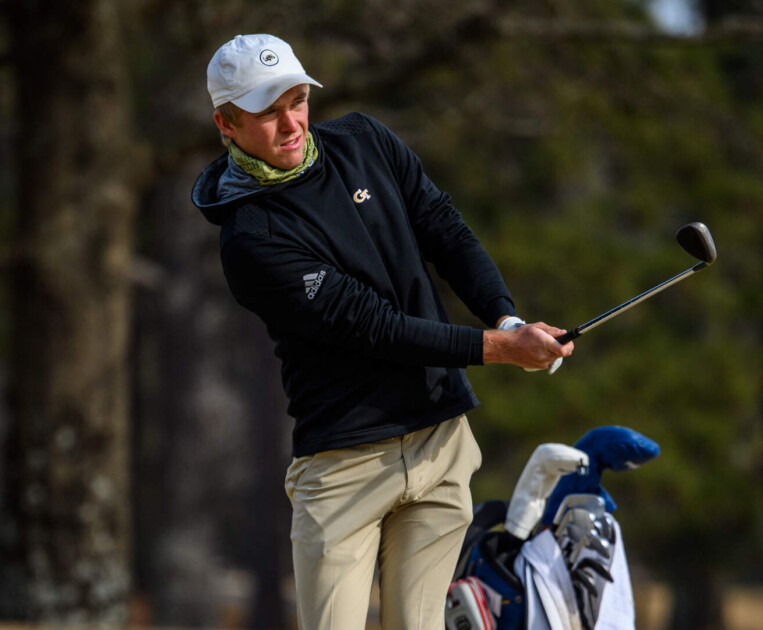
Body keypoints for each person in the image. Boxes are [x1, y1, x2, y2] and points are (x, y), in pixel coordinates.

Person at [191, 33, 574, 630]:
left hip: (438, 440)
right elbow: (373, 326)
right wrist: (502, 350)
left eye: (298, 100)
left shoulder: (364, 141)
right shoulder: (250, 238)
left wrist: (507, 318)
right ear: (227, 123)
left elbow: (444, 229)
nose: (291, 124)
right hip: (344, 466)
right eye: (268, 112)